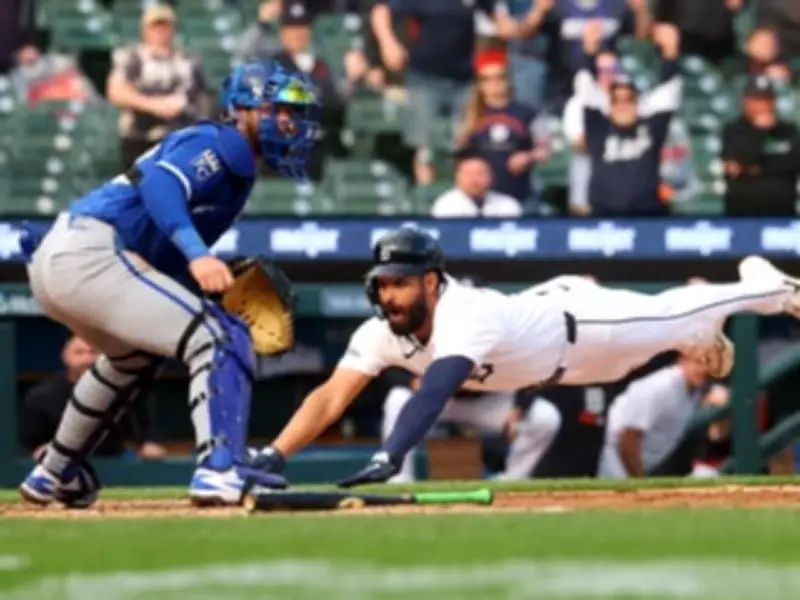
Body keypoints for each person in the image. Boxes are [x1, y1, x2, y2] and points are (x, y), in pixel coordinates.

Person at [246, 229, 800, 489]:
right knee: (651, 344)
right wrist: (275, 453)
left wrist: (391, 455)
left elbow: (437, 389)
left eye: (400, 284)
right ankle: (695, 337)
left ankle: (769, 288)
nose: (388, 295)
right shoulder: (384, 330)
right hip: (566, 366)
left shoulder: (464, 312)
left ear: (432, 283)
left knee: (665, 310)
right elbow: (330, 397)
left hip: (580, 326)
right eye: (382, 285)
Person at [17, 60, 321, 508]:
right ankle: (219, 469)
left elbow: (159, 254)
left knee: (133, 357)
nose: (288, 122)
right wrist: (199, 255)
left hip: (66, 258)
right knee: (220, 337)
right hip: (93, 250)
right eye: (278, 109)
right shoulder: (221, 142)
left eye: (293, 113)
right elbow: (160, 184)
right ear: (242, 108)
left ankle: (57, 472)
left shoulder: (236, 167)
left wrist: (205, 278)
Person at [579, 21, 681, 216]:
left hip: (648, 217)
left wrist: (670, 50)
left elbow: (670, 89)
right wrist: (589, 49)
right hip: (603, 219)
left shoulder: (652, 127)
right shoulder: (598, 127)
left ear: (638, 103)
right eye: (616, 100)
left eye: (629, 99)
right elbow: (586, 84)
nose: (623, 104)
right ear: (609, 105)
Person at [18, 335, 166, 461]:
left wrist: (150, 446)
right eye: (79, 352)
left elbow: (148, 434)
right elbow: (26, 446)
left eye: (93, 352)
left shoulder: (126, 390)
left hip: (115, 460)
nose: (86, 359)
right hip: (60, 463)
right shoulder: (42, 395)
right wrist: (38, 452)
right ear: (65, 355)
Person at [106, 4, 210, 170]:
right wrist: (155, 105)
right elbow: (116, 92)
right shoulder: (133, 57)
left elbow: (203, 99)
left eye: (165, 26)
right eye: (155, 26)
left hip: (179, 139)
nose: (160, 32)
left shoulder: (188, 61)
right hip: (140, 140)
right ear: (144, 30)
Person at [597, 354, 712, 479]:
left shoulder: (696, 388)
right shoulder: (660, 387)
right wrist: (640, 481)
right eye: (698, 362)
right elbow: (627, 438)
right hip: (616, 462)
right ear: (682, 360)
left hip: (643, 464)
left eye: (708, 364)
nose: (703, 369)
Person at [458, 49, 549, 204]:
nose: (494, 84)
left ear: (508, 79)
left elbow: (546, 151)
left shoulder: (528, 113)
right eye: (487, 79)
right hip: (480, 196)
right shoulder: (469, 116)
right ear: (480, 84)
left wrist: (528, 157)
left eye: (499, 77)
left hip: (520, 194)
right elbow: (461, 155)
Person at [722, 75, 800, 216]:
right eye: (756, 100)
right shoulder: (734, 131)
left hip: (782, 211)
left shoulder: (788, 130)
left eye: (766, 99)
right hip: (742, 212)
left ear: (774, 102)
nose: (762, 105)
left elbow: (794, 163)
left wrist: (756, 169)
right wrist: (758, 131)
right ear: (745, 101)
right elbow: (736, 165)